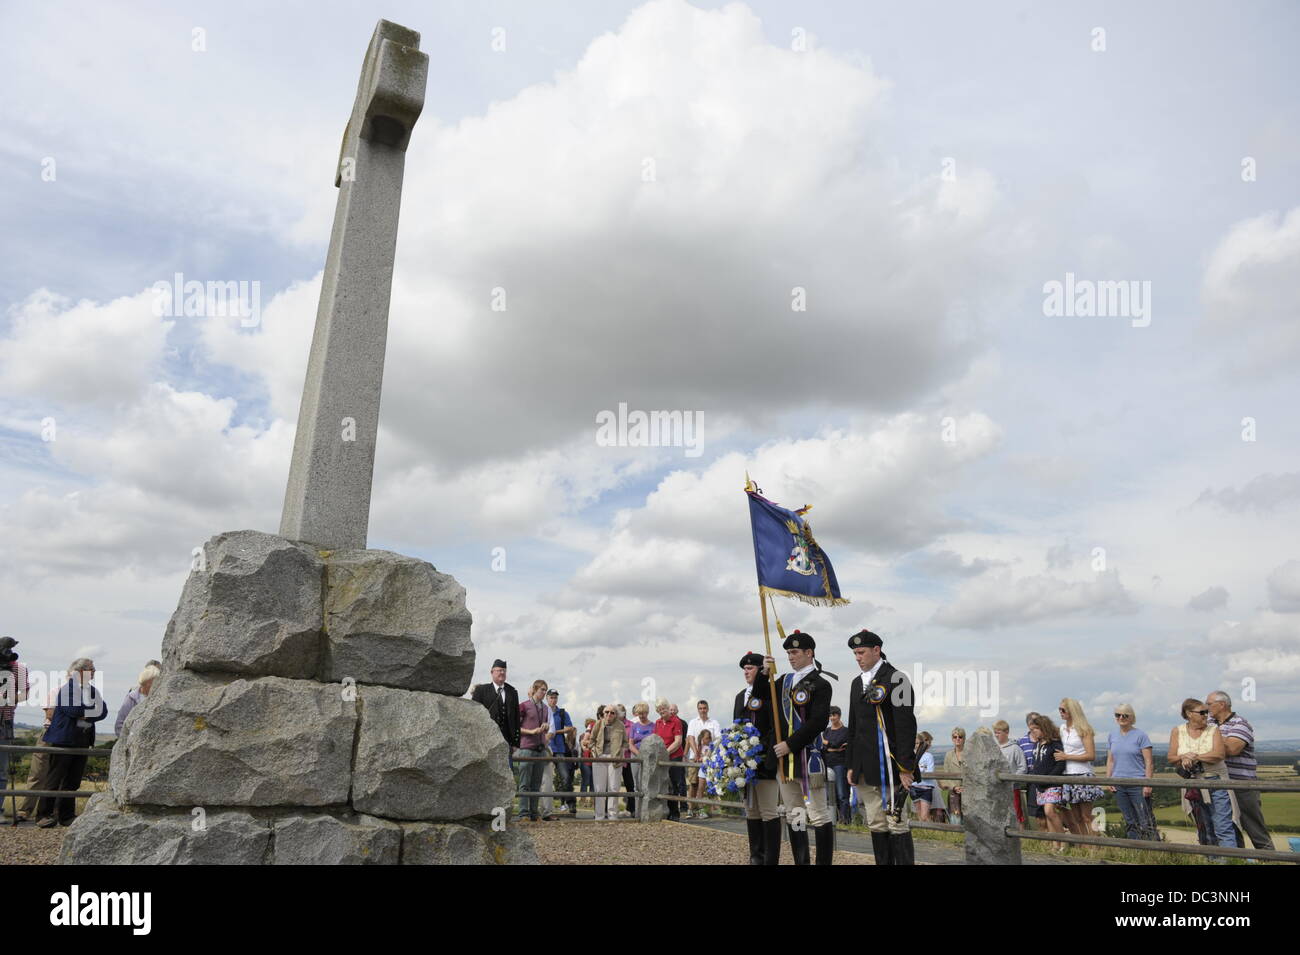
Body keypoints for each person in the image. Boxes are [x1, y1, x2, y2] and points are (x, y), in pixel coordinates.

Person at [843, 629, 917, 865]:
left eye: (861, 652)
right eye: (855, 653)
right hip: (865, 766)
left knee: (896, 823)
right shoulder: (857, 683)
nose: (857, 657)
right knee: (875, 822)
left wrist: (906, 767)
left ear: (877, 650)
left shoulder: (898, 679)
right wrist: (851, 764)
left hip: (891, 764)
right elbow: (853, 727)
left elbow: (905, 726)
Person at [768, 630, 836, 865]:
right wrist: (764, 674)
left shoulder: (821, 683)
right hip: (785, 763)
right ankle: (801, 860)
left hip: (807, 758)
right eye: (788, 652)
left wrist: (789, 744)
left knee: (818, 815)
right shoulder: (784, 681)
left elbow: (818, 722)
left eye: (795, 652)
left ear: (809, 653)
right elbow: (761, 696)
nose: (790, 656)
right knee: (794, 813)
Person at [35, 658, 105, 828]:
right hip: (64, 739)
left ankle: (65, 816)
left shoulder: (93, 691)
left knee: (72, 781)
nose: (94, 672)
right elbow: (72, 710)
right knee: (54, 779)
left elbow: (103, 711)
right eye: (92, 669)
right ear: (80, 672)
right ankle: (43, 815)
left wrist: (86, 713)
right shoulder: (68, 690)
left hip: (82, 740)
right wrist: (91, 711)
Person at [1207, 690, 1272, 853]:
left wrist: (1208, 735)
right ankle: (1237, 859)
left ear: (1222, 705)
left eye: (1209, 704)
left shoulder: (1240, 724)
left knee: (1254, 828)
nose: (1206, 708)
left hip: (1242, 784)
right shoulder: (1209, 722)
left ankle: (1269, 860)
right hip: (1220, 784)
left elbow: (1232, 749)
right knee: (1228, 828)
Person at [1169, 697, 1237, 855]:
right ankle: (1211, 859)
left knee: (1223, 826)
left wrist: (1195, 757)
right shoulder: (1177, 730)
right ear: (1189, 713)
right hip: (1193, 783)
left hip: (1216, 781)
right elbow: (1171, 757)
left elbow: (1219, 754)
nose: (1206, 715)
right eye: (1202, 712)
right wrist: (1183, 756)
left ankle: (1231, 859)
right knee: (1204, 826)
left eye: (1207, 712)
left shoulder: (1213, 730)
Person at [734, 650, 781, 865]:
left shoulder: (769, 692)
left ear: (760, 670)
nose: (746, 672)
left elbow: (773, 726)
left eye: (751, 668)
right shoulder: (739, 696)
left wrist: (767, 754)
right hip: (744, 762)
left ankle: (770, 859)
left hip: (764, 759)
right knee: (751, 810)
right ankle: (756, 856)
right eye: (744, 669)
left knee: (768, 810)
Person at [1104, 703, 1157, 841]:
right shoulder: (1112, 735)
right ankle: (1135, 851)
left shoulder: (1141, 735)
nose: (1121, 717)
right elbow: (1110, 760)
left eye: (1125, 715)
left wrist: (1147, 783)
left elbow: (1149, 762)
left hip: (1138, 783)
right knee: (1129, 821)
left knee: (1145, 820)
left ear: (1131, 717)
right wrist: (1108, 779)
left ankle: (1155, 850)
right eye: (1118, 715)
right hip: (1119, 784)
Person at [1055, 698, 1104, 842]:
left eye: (1063, 710)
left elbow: (1091, 755)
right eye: (1059, 709)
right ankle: (1085, 845)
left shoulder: (1084, 729)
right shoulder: (1062, 729)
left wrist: (1066, 756)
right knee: (1076, 817)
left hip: (1083, 774)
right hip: (1067, 775)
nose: (1060, 712)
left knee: (1087, 816)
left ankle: (1096, 843)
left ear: (1072, 711)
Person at [0, 636, 29, 817]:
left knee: (1, 771)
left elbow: (25, 694)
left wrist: (8, 699)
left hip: (5, 722)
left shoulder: (19, 668)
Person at [514, 679, 551, 822]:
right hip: (526, 748)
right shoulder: (523, 706)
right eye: (542, 689)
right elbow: (516, 727)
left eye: (545, 690)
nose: (544, 693)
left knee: (536, 783)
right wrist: (531, 731)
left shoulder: (546, 708)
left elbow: (544, 724)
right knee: (524, 783)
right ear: (534, 690)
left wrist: (545, 727)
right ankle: (523, 814)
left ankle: (534, 814)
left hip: (540, 749)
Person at [1029, 715, 1066, 851]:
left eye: (1036, 728)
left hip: (1052, 783)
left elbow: (1060, 763)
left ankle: (1064, 841)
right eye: (1032, 729)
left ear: (1044, 728)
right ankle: (1055, 845)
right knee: (1047, 815)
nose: (1034, 731)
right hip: (1040, 785)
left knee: (1050, 811)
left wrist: (1050, 778)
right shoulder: (1038, 744)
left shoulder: (1054, 743)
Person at [470, 659, 520, 750]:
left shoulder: (512, 692)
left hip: (507, 741)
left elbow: (516, 718)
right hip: (486, 739)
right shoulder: (481, 691)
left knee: (508, 764)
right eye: (499, 670)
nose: (502, 672)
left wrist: (516, 743)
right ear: (492, 672)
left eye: (504, 670)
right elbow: (473, 715)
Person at [588, 703, 627, 821]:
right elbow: (591, 740)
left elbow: (625, 742)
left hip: (614, 758)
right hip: (599, 757)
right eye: (607, 712)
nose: (609, 714)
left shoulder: (621, 726)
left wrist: (622, 752)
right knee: (599, 789)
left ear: (616, 715)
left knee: (613, 788)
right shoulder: (598, 724)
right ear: (603, 713)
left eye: (612, 712)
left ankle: (612, 816)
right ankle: (599, 816)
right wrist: (594, 751)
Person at [685, 700, 721, 818]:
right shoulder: (693, 722)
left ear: (708, 709)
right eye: (700, 708)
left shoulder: (714, 722)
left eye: (704, 708)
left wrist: (707, 755)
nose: (702, 710)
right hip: (694, 757)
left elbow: (717, 739)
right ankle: (691, 809)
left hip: (709, 759)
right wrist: (696, 753)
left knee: (705, 785)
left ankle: (703, 809)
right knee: (693, 784)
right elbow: (690, 738)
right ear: (697, 709)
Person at [653, 699, 686, 820]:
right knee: (663, 784)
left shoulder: (676, 721)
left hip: (673, 756)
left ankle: (674, 813)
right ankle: (664, 811)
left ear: (668, 708)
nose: (662, 711)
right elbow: (656, 739)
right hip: (661, 757)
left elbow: (678, 741)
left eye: (664, 708)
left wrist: (666, 752)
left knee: (674, 784)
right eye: (659, 709)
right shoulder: (657, 722)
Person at [545, 689, 577, 814]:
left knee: (565, 777)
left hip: (559, 748)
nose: (553, 700)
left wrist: (554, 732)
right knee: (543, 779)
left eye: (555, 698)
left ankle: (571, 803)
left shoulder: (563, 713)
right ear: (547, 698)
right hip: (545, 747)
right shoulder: (543, 711)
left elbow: (570, 728)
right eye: (551, 697)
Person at [993, 720, 1028, 827]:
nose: (996, 735)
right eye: (995, 732)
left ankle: (1022, 840)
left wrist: (1012, 779)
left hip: (1012, 788)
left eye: (998, 732)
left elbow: (1023, 767)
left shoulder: (1015, 748)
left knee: (1016, 814)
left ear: (1006, 732)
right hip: (997, 789)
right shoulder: (994, 749)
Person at [820, 706, 851, 824]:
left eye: (834, 715)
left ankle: (845, 819)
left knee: (842, 793)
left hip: (840, 764)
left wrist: (828, 744)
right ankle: (833, 818)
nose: (832, 718)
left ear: (839, 715)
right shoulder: (826, 731)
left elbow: (837, 744)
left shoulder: (845, 731)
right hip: (827, 763)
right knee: (829, 793)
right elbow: (828, 747)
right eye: (830, 715)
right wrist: (833, 747)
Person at [113, 660, 161, 736]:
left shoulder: (159, 698)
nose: (159, 683)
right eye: (156, 680)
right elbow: (119, 726)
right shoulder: (131, 698)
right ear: (148, 682)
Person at [627, 702, 658, 817]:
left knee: (647, 784)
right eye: (639, 713)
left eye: (643, 713)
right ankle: (637, 811)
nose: (641, 716)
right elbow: (630, 744)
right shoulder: (634, 726)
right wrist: (639, 754)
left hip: (649, 757)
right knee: (636, 785)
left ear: (647, 712)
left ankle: (647, 810)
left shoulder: (653, 726)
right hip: (636, 757)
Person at [907, 732, 940, 822]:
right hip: (914, 787)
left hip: (926, 788)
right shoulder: (910, 756)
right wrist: (920, 771)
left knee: (925, 815)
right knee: (919, 815)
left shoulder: (928, 756)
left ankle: (931, 831)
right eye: (914, 743)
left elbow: (929, 772)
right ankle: (924, 833)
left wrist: (917, 772)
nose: (916, 745)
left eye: (918, 743)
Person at [1017, 712, 1042, 828]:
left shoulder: (1045, 739)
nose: (1037, 724)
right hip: (1029, 778)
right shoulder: (1022, 741)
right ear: (1028, 725)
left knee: (1047, 809)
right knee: (1033, 810)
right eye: (1034, 722)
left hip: (1044, 775)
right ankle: (1039, 836)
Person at [940, 727, 966, 825]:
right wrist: (954, 787)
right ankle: (956, 837)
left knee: (969, 819)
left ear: (964, 739)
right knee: (956, 818)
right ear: (952, 739)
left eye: (960, 736)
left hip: (968, 790)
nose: (957, 739)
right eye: (955, 737)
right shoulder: (948, 755)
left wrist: (965, 786)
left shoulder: (969, 754)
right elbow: (946, 775)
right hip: (953, 791)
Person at [578, 717, 597, 809]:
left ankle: (588, 801)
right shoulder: (582, 736)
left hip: (589, 759)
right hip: (586, 759)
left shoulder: (583, 736)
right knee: (587, 781)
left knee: (588, 781)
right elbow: (583, 746)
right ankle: (586, 801)